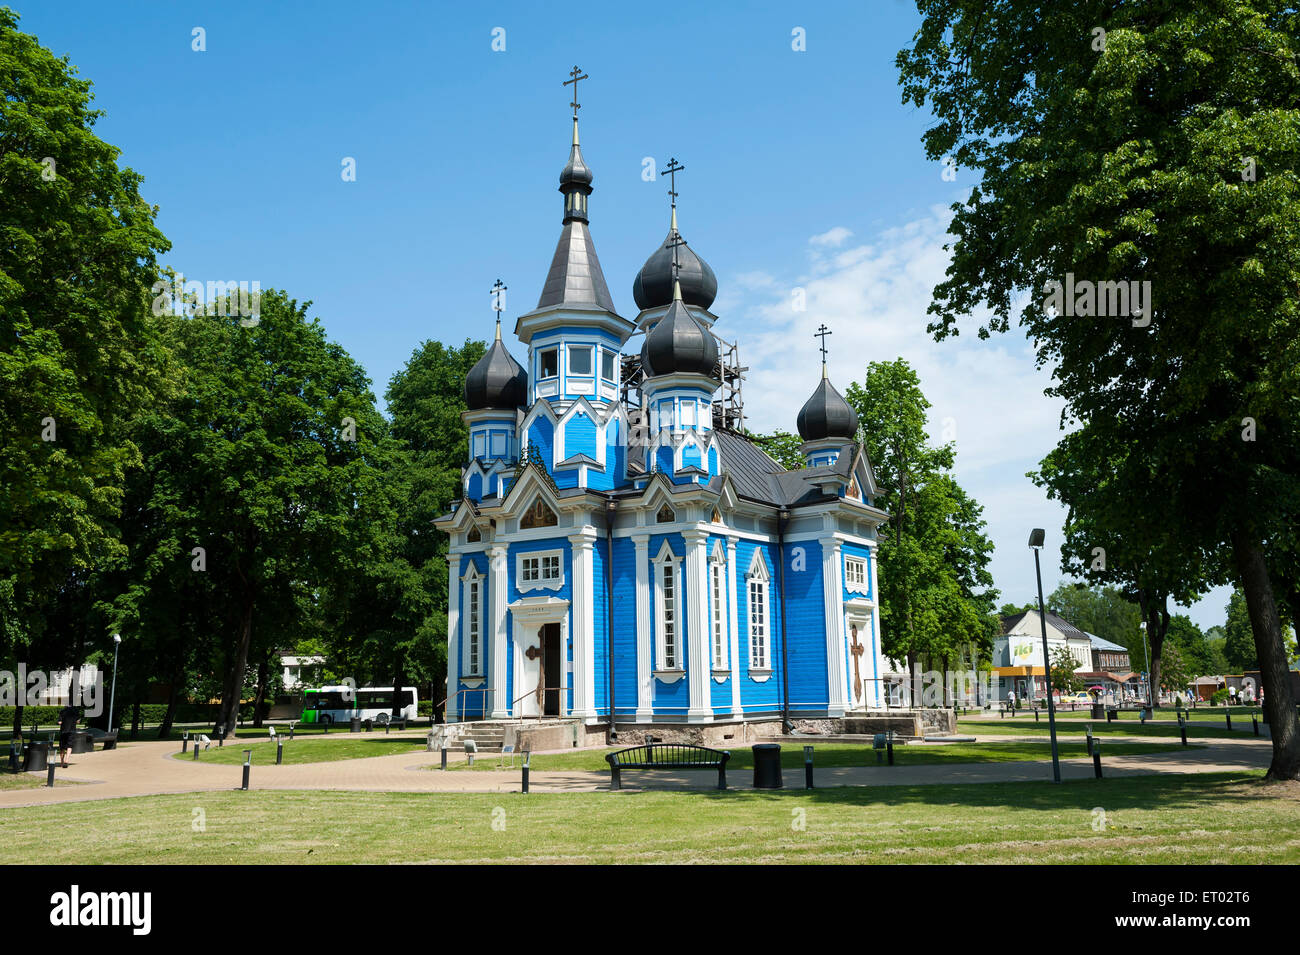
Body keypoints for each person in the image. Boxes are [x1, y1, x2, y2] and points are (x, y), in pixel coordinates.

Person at [58, 703, 80, 768]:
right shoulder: (75, 711)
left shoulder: (62, 711)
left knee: (62, 748)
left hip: (63, 731)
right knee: (69, 746)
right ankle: (67, 760)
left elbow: (59, 722)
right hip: (72, 731)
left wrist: (64, 721)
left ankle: (62, 762)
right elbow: (78, 721)